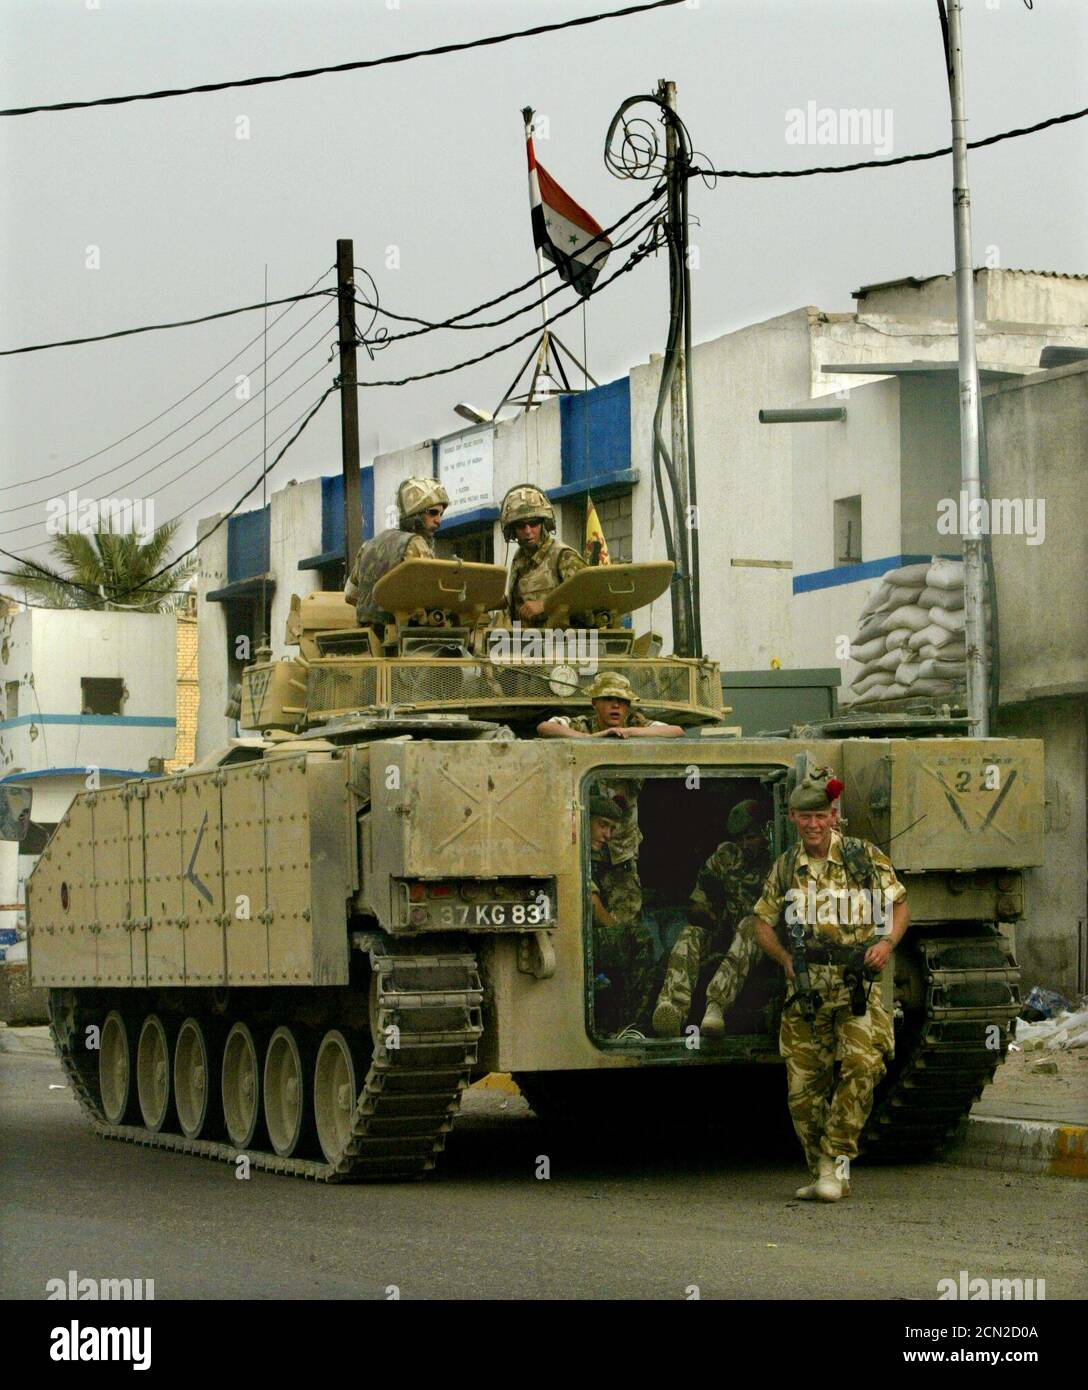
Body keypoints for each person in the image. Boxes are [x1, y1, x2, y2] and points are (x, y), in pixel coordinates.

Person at [746, 767, 909, 1203]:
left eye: (820, 815)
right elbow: (760, 921)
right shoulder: (786, 867)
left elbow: (899, 906)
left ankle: (833, 1163)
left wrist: (887, 942)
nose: (813, 824)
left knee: (861, 1066)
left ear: (833, 816)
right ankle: (822, 1168)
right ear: (794, 819)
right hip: (806, 988)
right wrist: (783, 958)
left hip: (857, 984)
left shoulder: (863, 856)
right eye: (804, 816)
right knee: (803, 1092)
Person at [538, 672, 683, 937]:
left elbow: (675, 731)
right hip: (581, 850)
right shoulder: (581, 725)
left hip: (621, 851)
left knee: (627, 928)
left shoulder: (639, 724)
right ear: (594, 702)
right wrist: (593, 739)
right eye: (608, 699)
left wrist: (630, 733)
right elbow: (545, 728)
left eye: (621, 701)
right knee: (580, 922)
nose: (616, 706)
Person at [651, 799, 772, 1038]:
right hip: (726, 933)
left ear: (766, 832)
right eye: (740, 839)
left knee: (751, 925)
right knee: (690, 933)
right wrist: (709, 916)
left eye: (751, 838)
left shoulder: (776, 862)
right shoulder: (726, 856)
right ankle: (672, 1008)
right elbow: (697, 904)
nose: (744, 845)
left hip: (762, 942)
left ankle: (715, 1006)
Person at [588, 792, 656, 1036]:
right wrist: (619, 932)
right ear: (586, 820)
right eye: (602, 825)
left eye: (612, 828)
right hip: (576, 942)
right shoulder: (574, 853)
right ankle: (632, 1024)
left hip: (583, 939)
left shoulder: (592, 857)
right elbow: (594, 907)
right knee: (639, 939)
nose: (607, 835)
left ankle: (616, 1022)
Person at [344, 476, 448, 627]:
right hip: (404, 638)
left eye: (441, 514)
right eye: (432, 513)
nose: (438, 520)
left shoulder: (368, 546)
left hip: (368, 638)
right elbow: (435, 595)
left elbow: (350, 595)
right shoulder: (415, 544)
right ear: (416, 513)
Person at [500, 483, 586, 626]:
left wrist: (545, 605)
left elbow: (590, 600)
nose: (528, 531)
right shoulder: (519, 558)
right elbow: (519, 601)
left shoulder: (563, 556)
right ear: (512, 530)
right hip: (525, 643)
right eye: (521, 525)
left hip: (563, 643)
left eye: (533, 523)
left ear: (543, 523)